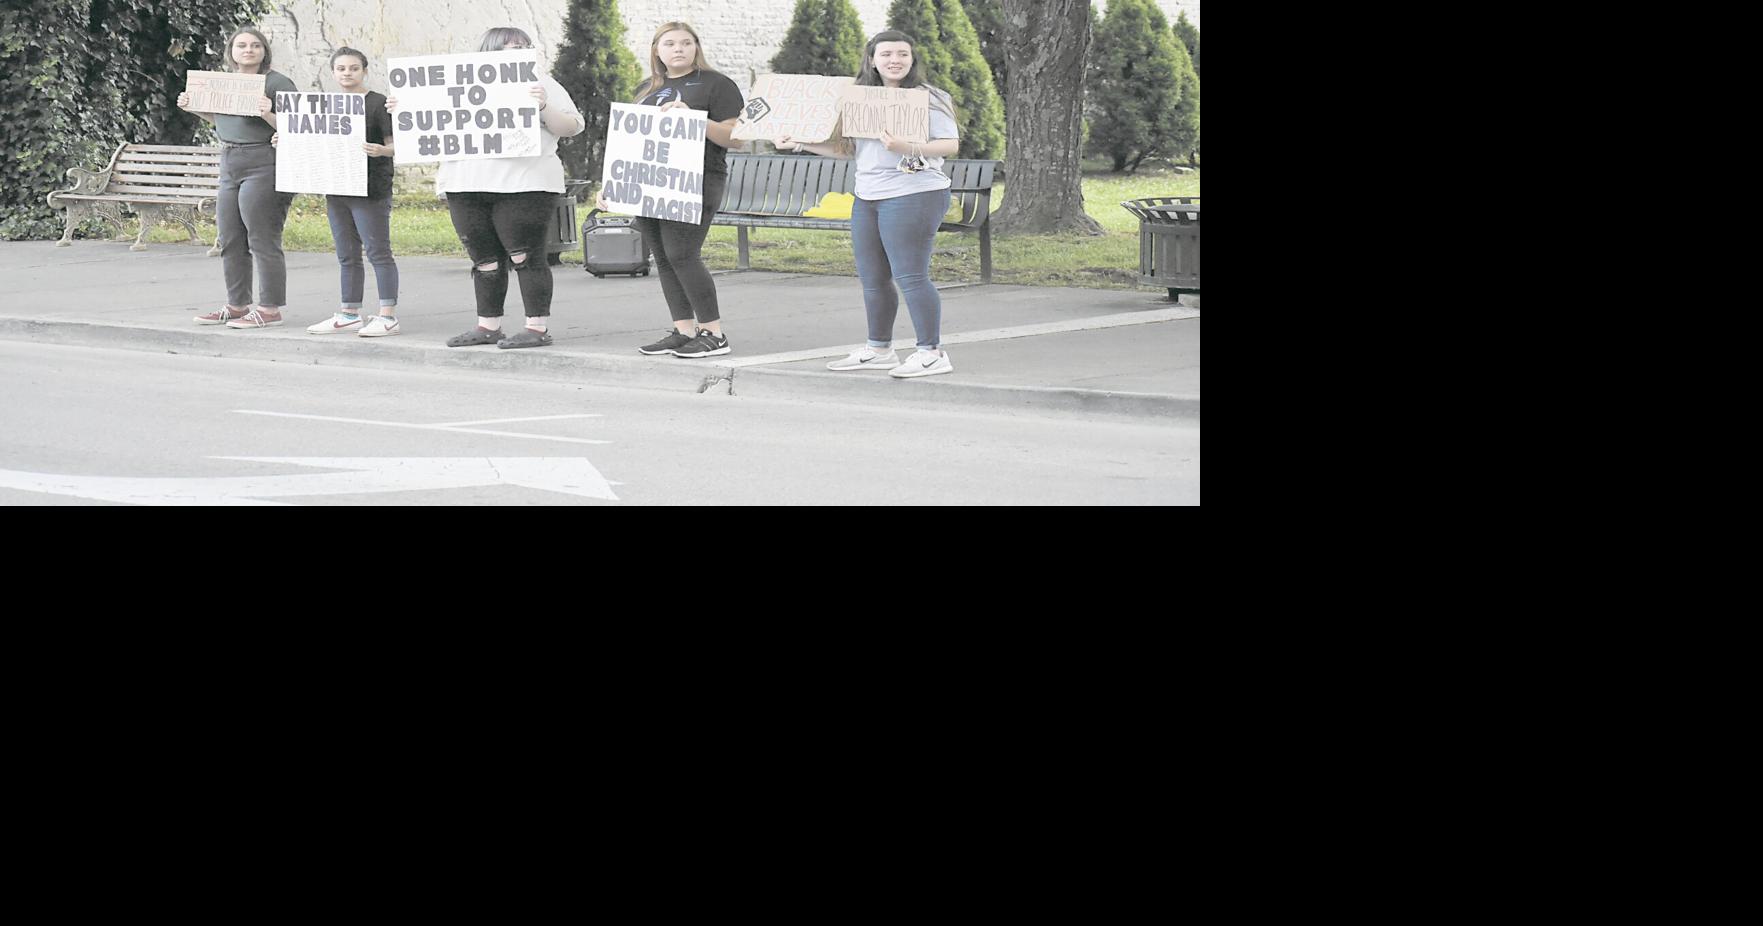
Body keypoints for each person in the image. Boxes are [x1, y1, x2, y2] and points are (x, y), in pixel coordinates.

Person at [776, 30, 960, 378]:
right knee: (873, 278)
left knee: (910, 276)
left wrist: (907, 146)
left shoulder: (929, 97)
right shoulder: (858, 98)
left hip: (914, 193)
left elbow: (949, 144)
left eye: (902, 54)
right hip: (868, 195)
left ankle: (931, 352)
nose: (895, 60)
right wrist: (799, 144)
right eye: (887, 54)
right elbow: (847, 150)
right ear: (872, 59)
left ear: (912, 59)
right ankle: (879, 349)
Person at [391, 27, 585, 349]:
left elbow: (572, 127)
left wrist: (542, 106)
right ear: (488, 51)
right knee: (485, 260)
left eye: (524, 46)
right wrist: (407, 108)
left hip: (525, 184)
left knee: (525, 255)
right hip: (466, 184)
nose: (519, 51)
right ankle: (488, 326)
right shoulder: (453, 83)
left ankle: (536, 328)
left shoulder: (542, 83)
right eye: (509, 47)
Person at [599, 22, 742, 359]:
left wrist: (694, 118)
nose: (678, 49)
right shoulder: (646, 87)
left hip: (697, 179)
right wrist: (611, 184)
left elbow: (736, 136)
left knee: (682, 253)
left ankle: (714, 332)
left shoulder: (717, 84)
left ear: (696, 47)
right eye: (670, 43)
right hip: (649, 183)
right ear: (657, 50)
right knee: (664, 258)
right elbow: (630, 143)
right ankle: (683, 330)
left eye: (686, 43)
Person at [179, 26, 298, 329]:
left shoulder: (278, 83)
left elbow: (298, 127)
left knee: (261, 236)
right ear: (231, 50)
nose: (248, 50)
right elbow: (221, 119)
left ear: (264, 51)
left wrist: (268, 114)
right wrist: (193, 108)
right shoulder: (225, 83)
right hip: (230, 160)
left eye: (255, 46)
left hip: (264, 161)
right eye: (242, 45)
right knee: (231, 237)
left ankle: (270, 309)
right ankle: (236, 305)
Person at [293, 47, 402, 337]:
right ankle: (349, 312)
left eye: (354, 68)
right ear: (333, 73)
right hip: (336, 187)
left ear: (364, 71)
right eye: (341, 68)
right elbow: (310, 140)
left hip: (371, 188)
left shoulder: (379, 103)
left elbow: (397, 145)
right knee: (346, 254)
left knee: (378, 251)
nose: (347, 73)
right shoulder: (325, 104)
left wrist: (382, 150)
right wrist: (286, 140)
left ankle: (387, 315)